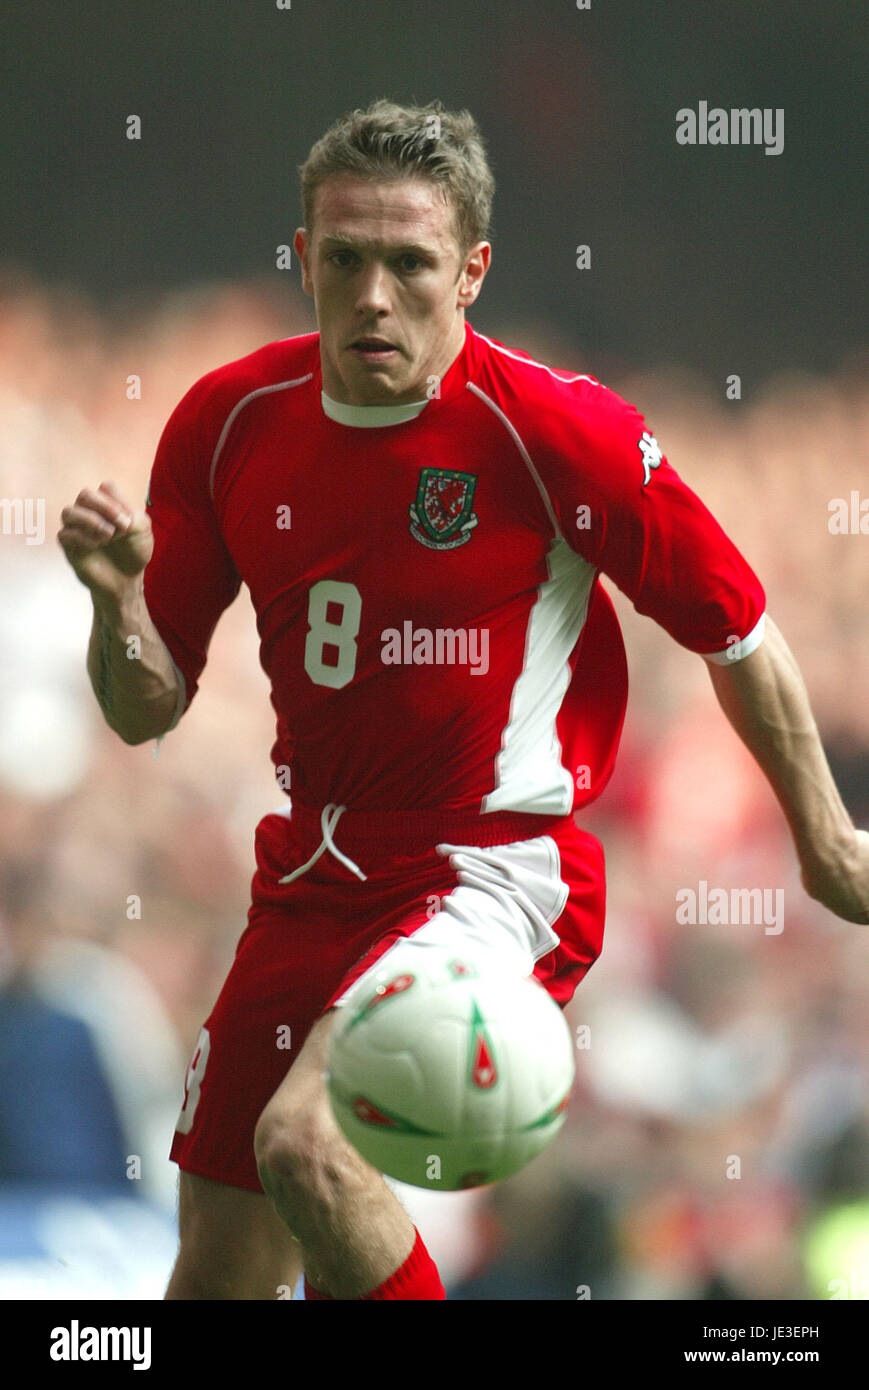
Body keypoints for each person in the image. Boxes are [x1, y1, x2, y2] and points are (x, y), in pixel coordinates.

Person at [57, 98, 869, 1301]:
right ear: (301, 259)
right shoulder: (229, 423)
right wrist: (117, 608)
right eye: (343, 260)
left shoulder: (555, 432)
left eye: (408, 263)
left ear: (472, 270)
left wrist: (824, 839)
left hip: (488, 876)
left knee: (308, 1148)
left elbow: (738, 631)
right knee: (214, 1281)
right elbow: (143, 709)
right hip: (305, 883)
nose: (373, 294)